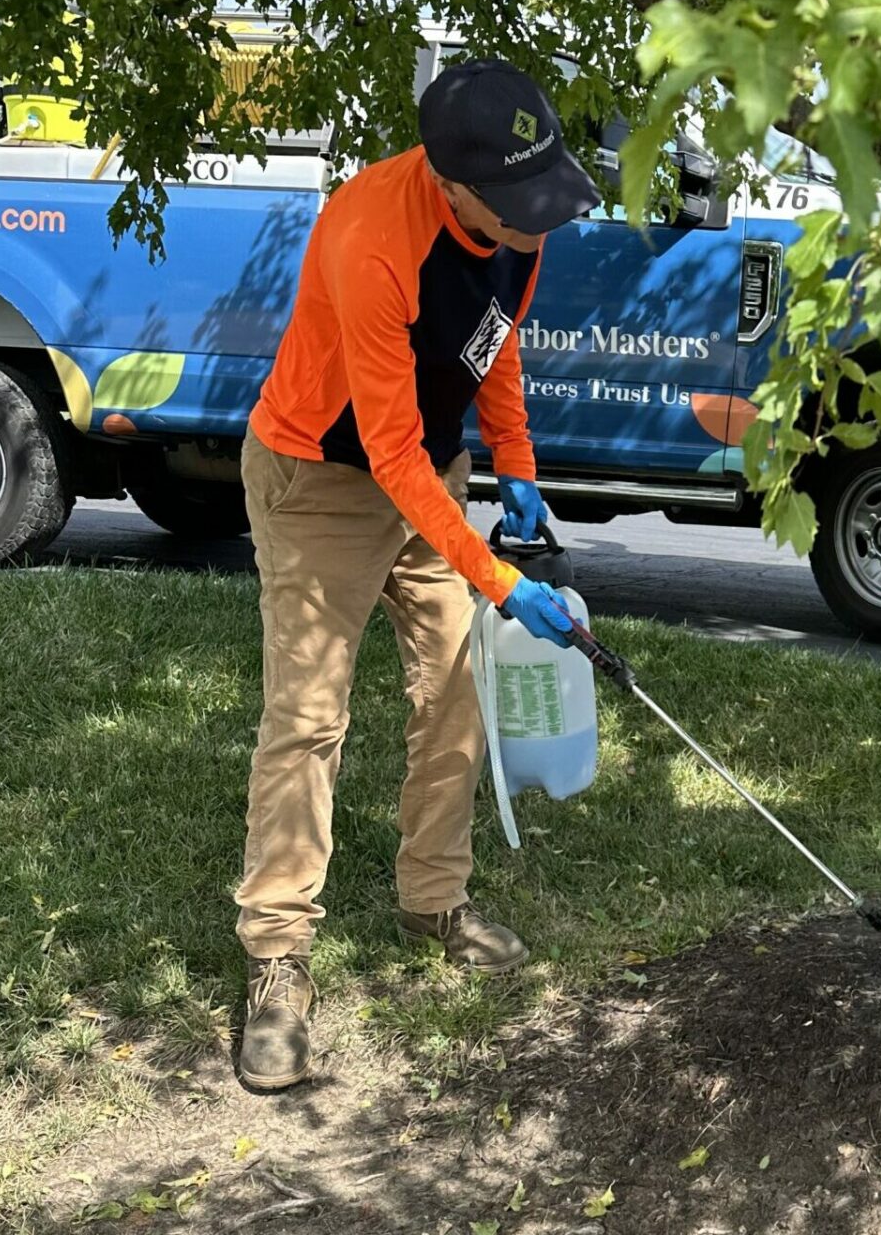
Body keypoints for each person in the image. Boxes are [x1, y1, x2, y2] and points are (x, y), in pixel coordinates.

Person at [233, 59, 599, 1090]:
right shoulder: (369, 241)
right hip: (324, 477)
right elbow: (385, 451)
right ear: (452, 184)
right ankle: (275, 957)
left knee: (457, 692)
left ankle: (433, 898)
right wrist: (492, 573)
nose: (543, 224)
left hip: (427, 471)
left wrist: (516, 464)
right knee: (308, 715)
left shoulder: (519, 233)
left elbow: (497, 346)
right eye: (521, 205)